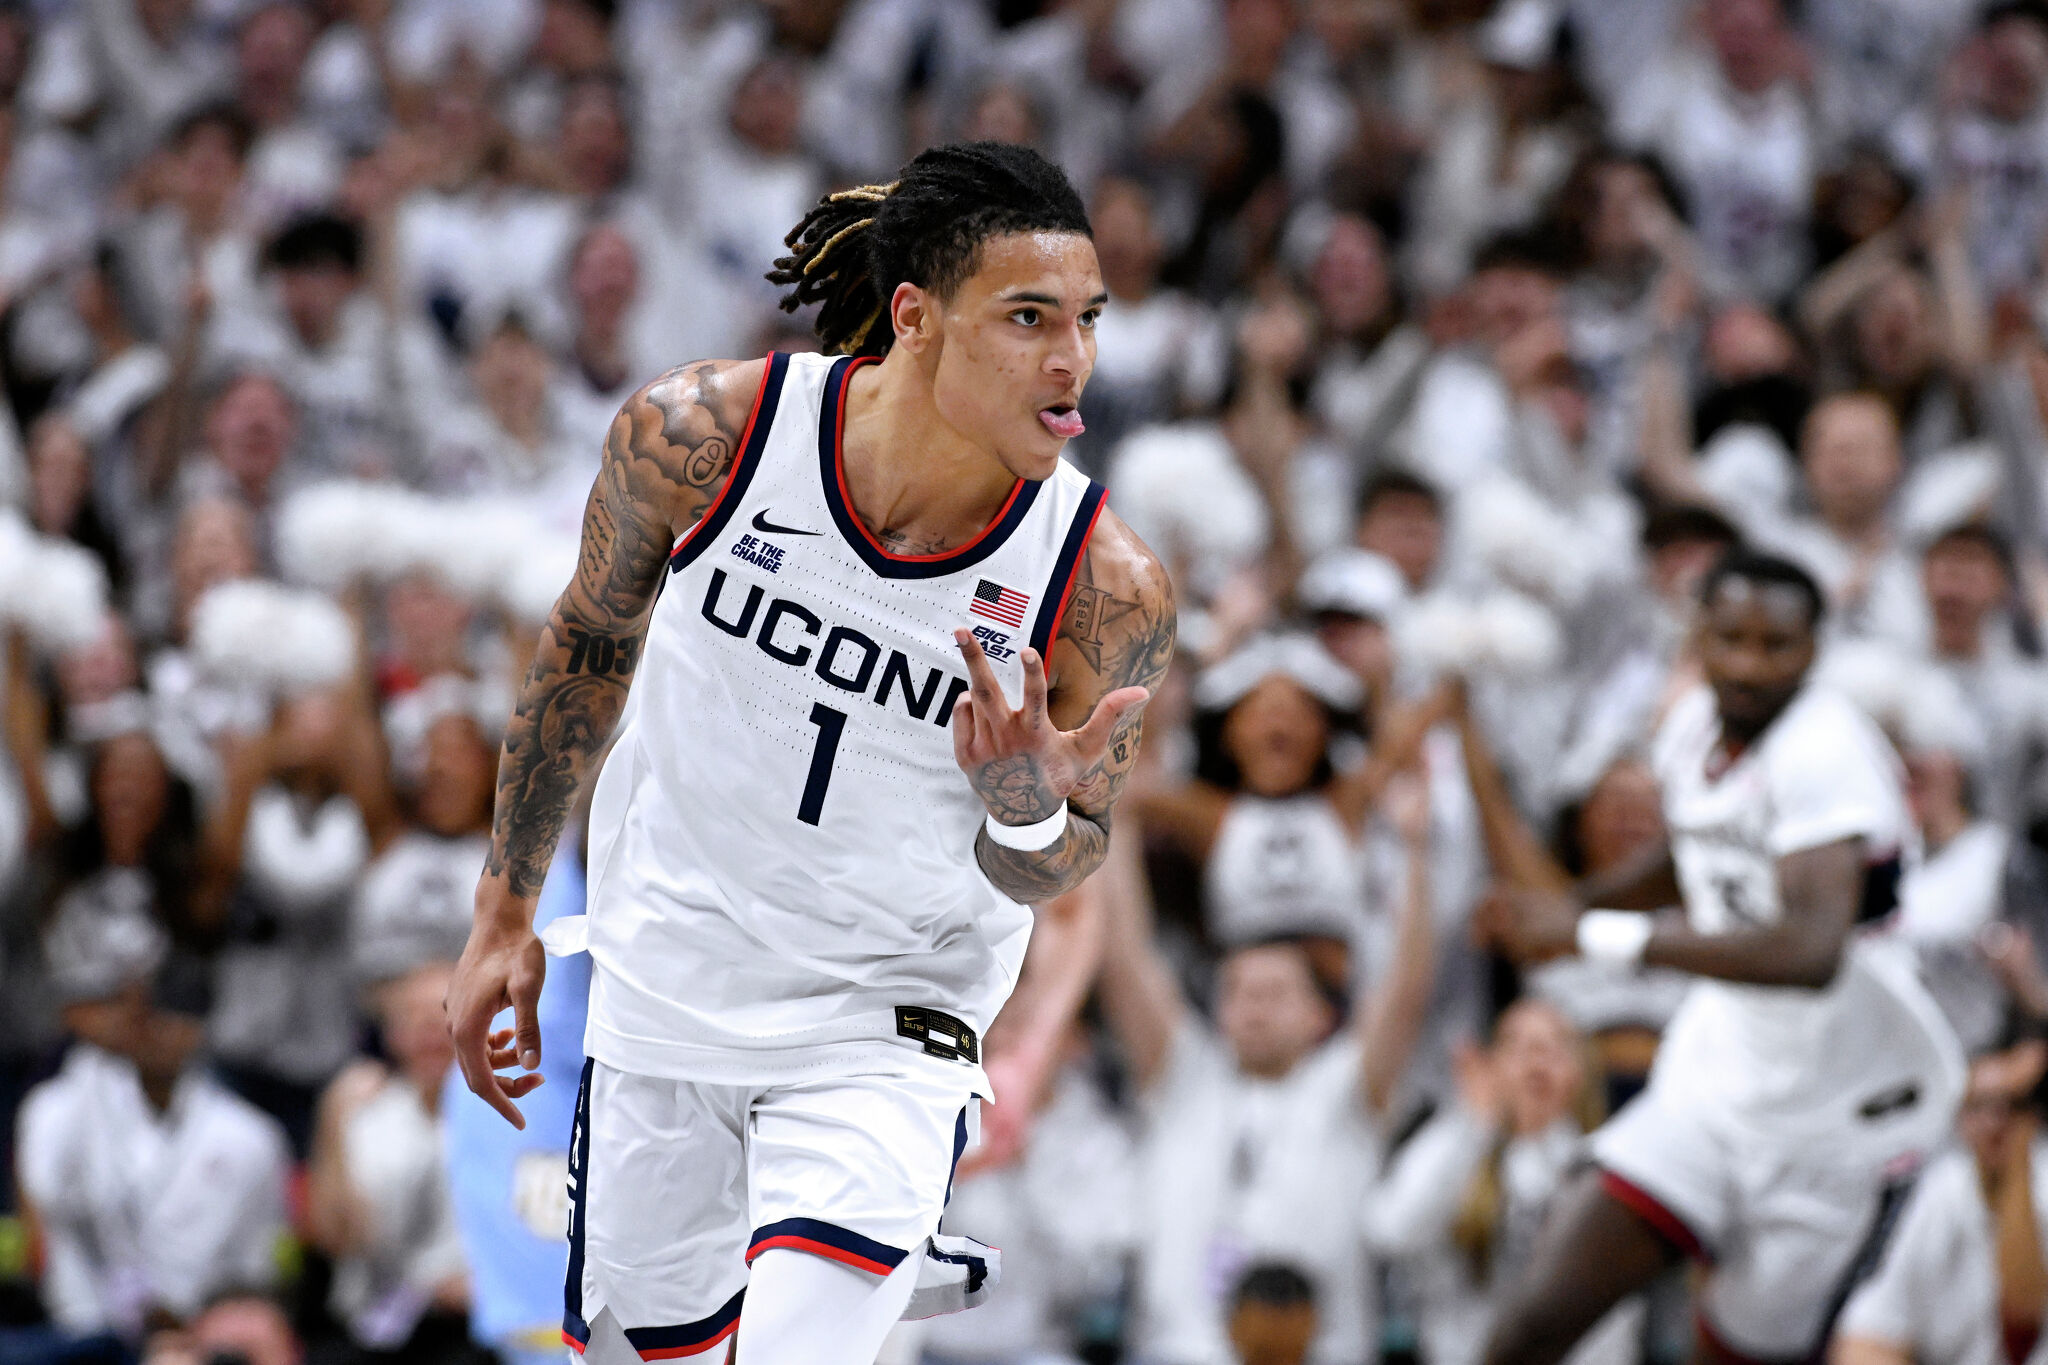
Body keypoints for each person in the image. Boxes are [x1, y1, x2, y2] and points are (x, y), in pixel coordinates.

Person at [444, 142, 1176, 1365]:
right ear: (914, 317)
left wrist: (1024, 812)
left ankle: (881, 1238)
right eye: (1029, 319)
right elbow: (584, 650)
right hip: (663, 990)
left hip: (884, 1025)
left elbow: (1067, 862)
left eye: (1087, 322)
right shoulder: (703, 432)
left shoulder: (1106, 584)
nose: (1072, 362)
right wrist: (503, 909)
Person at [1479, 548, 1966, 1364]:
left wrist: (1596, 935)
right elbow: (1694, 851)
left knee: (1732, 1353)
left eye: (1775, 644)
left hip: (1836, 1112)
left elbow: (1809, 950)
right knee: (1534, 1318)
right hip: (1722, 1076)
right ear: (1696, 633)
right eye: (1729, 636)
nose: (1748, 662)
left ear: (1813, 650)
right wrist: (1581, 899)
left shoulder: (1824, 750)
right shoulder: (1691, 724)